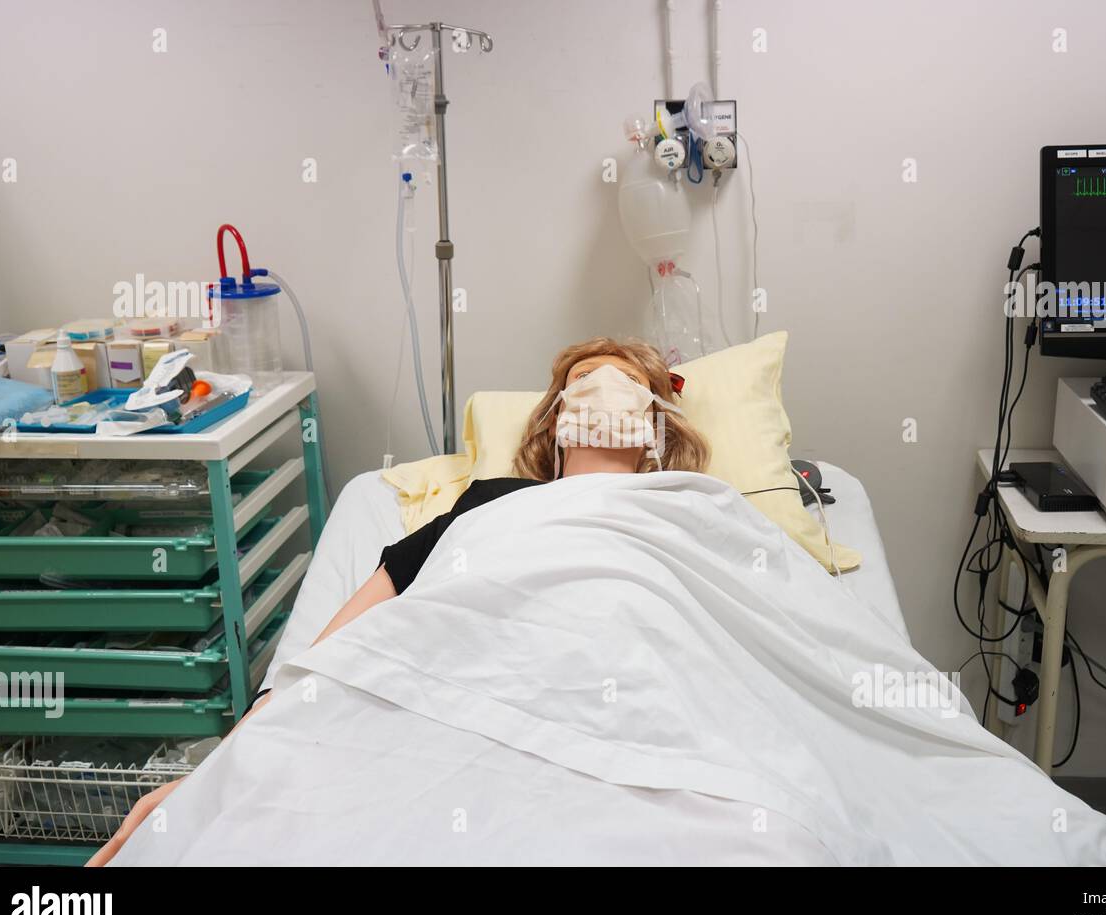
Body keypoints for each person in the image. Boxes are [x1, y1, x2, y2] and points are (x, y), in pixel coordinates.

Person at [86, 336, 709, 866]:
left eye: (625, 379)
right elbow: (332, 645)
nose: (601, 384)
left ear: (656, 421)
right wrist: (214, 772)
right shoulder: (492, 499)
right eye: (583, 377)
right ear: (553, 419)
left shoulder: (692, 511)